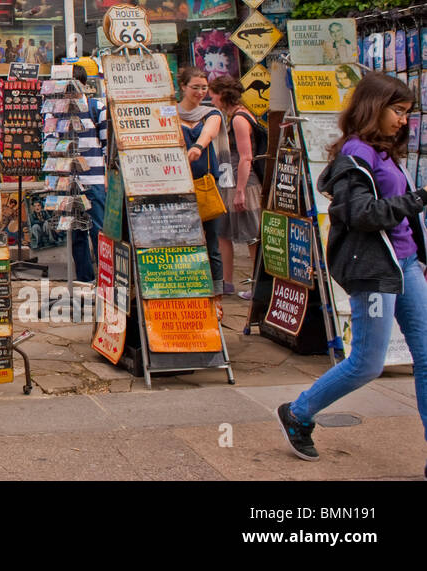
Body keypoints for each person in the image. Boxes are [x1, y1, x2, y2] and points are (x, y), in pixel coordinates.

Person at [277, 73, 427, 471]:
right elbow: (360, 215)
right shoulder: (355, 157)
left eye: (407, 113)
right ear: (373, 107)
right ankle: (298, 412)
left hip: (406, 264)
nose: (403, 120)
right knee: (366, 362)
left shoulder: (383, 151)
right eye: (398, 110)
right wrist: (416, 201)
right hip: (375, 269)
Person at [178, 66, 228, 309]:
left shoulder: (211, 113)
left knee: (212, 243)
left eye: (203, 87)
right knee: (183, 242)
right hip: (179, 187)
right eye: (195, 87)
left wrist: (197, 146)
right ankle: (189, 291)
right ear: (183, 87)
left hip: (207, 186)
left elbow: (209, 132)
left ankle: (216, 297)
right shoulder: (169, 113)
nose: (200, 92)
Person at [209, 76, 264, 298]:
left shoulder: (240, 119)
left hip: (244, 184)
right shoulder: (233, 116)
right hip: (229, 182)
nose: (210, 99)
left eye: (212, 94)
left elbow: (246, 157)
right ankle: (227, 281)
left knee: (251, 235)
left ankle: (257, 286)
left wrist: (240, 191)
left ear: (222, 94)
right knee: (223, 232)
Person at [70, 59, 107, 283]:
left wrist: (107, 180)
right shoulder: (55, 113)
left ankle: (105, 278)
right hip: (68, 183)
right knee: (76, 234)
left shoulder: (97, 109)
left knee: (99, 231)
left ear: (83, 84)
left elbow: (107, 145)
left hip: (94, 180)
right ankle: (84, 279)